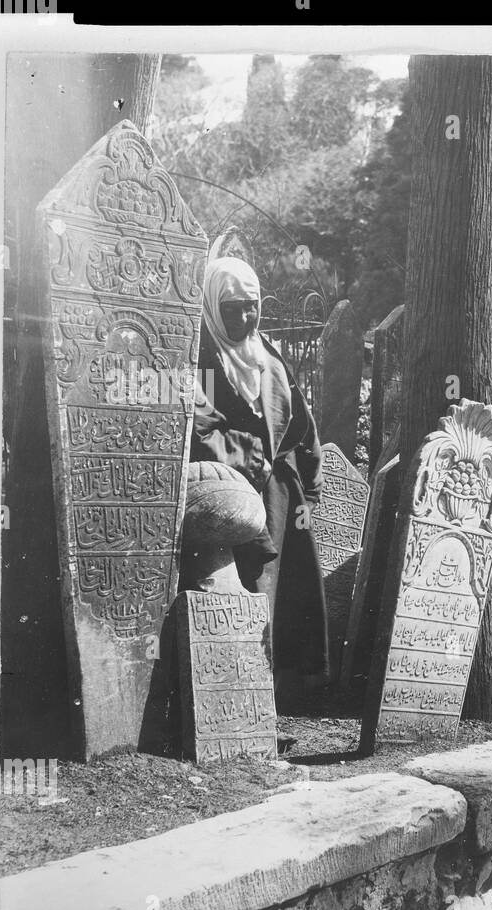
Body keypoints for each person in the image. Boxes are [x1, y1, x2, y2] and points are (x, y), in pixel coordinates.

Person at [189, 256, 329, 701]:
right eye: (232, 308)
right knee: (251, 584)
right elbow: (201, 427)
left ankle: (289, 691)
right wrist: (254, 460)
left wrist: (309, 474)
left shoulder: (266, 353)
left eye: (251, 306)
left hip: (281, 492)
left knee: (290, 587)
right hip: (232, 488)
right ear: (213, 306)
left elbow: (302, 421)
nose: (245, 317)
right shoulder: (201, 357)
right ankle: (251, 695)